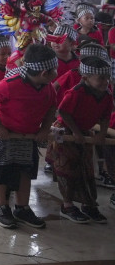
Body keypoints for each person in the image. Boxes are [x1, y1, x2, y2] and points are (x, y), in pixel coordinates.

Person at [0, 43, 58, 229]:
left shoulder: (48, 88)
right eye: (54, 70)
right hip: (4, 135)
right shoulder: (11, 83)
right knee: (2, 171)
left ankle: (22, 208)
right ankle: (2, 208)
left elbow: (51, 108)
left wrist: (44, 129)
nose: (57, 73)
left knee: (25, 171)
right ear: (44, 73)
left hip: (27, 136)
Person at [46, 55, 113, 223]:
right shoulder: (76, 92)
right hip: (66, 132)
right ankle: (67, 206)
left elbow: (105, 116)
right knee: (67, 170)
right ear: (86, 78)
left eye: (107, 78)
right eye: (101, 78)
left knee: (86, 171)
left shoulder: (106, 94)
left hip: (85, 132)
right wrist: (75, 132)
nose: (105, 82)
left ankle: (89, 205)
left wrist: (101, 134)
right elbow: (63, 112)